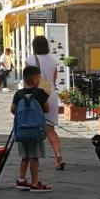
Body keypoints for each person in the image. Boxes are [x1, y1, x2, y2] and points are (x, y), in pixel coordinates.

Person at [10, 64, 51, 191]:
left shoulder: (18, 94)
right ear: (35, 80)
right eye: (39, 78)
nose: (40, 80)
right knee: (34, 157)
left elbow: (12, 110)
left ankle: (21, 180)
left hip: (22, 130)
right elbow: (47, 109)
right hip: (35, 130)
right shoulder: (40, 93)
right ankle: (34, 183)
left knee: (25, 157)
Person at [31, 34, 65, 170]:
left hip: (36, 97)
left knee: (33, 128)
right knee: (50, 129)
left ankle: (34, 158)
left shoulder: (30, 59)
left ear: (34, 46)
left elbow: (29, 80)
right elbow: (54, 80)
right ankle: (58, 155)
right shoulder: (52, 60)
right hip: (50, 96)